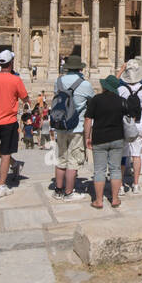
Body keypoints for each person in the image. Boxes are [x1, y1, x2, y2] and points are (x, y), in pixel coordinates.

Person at [0, 49, 28, 197]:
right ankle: (1, 186)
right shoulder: (15, 80)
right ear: (11, 63)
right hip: (8, 120)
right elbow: (25, 97)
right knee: (6, 154)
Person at [52, 55, 96, 202]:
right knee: (73, 161)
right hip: (77, 127)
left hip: (60, 125)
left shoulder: (58, 82)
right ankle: (69, 192)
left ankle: (58, 190)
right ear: (80, 68)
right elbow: (92, 102)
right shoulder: (85, 84)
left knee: (60, 158)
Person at [84, 75, 127, 209]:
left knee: (99, 170)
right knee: (115, 169)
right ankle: (115, 199)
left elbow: (88, 119)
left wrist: (87, 137)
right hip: (117, 138)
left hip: (100, 138)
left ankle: (98, 201)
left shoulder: (96, 99)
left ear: (104, 86)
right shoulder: (121, 100)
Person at [118, 58, 142, 193]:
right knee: (136, 155)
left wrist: (120, 70)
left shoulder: (121, 89)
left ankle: (120, 186)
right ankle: (135, 185)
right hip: (138, 124)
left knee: (123, 155)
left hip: (124, 124)